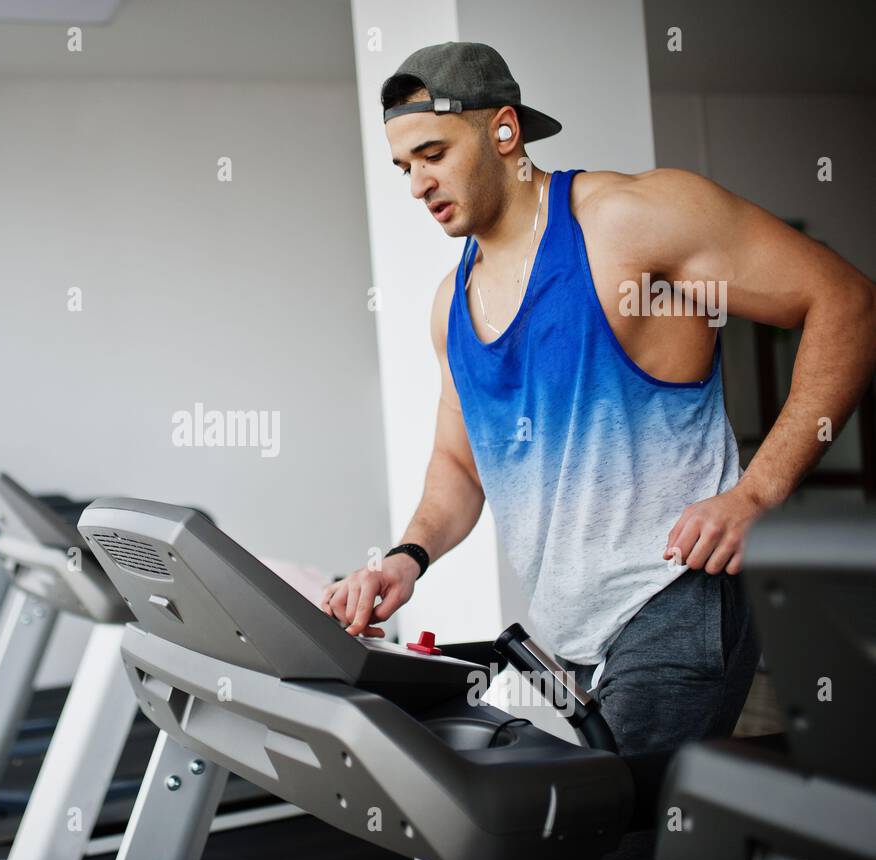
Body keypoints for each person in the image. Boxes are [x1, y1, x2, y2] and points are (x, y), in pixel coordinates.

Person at [321, 42, 876, 761]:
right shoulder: (450, 306)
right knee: (603, 824)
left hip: (675, 597)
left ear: (504, 131)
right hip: (567, 638)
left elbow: (846, 302)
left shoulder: (628, 220)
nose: (417, 184)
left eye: (432, 154)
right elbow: (459, 465)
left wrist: (758, 492)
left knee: (613, 831)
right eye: (405, 167)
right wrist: (404, 558)